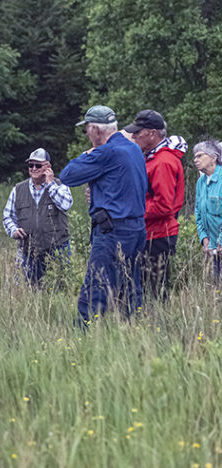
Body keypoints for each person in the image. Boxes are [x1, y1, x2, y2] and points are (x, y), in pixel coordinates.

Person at [60, 105, 148, 325]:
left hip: (114, 230)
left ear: (95, 129)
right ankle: (133, 329)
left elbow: (68, 175)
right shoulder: (134, 149)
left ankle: (83, 333)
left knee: (96, 284)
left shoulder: (105, 152)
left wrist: (87, 154)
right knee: (130, 285)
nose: (87, 135)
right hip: (136, 228)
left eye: (87, 129)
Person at [124, 109, 186, 300]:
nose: (134, 136)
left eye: (138, 132)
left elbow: (163, 206)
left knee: (155, 290)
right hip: (150, 232)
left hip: (158, 235)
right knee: (146, 288)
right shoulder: (152, 158)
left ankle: (158, 325)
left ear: (152, 133)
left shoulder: (163, 162)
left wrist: (130, 211)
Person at [3, 148, 73, 286]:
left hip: (58, 249)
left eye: (38, 165)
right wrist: (13, 230)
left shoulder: (60, 185)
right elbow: (7, 216)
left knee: (60, 289)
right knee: (30, 290)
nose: (33, 168)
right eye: (31, 165)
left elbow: (66, 204)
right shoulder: (18, 189)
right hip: (29, 250)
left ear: (48, 167)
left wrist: (50, 184)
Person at [193, 139, 222, 282]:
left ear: (214, 157)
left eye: (200, 156)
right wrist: (204, 238)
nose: (195, 160)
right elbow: (198, 212)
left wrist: (221, 241)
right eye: (194, 157)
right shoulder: (201, 182)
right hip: (214, 248)